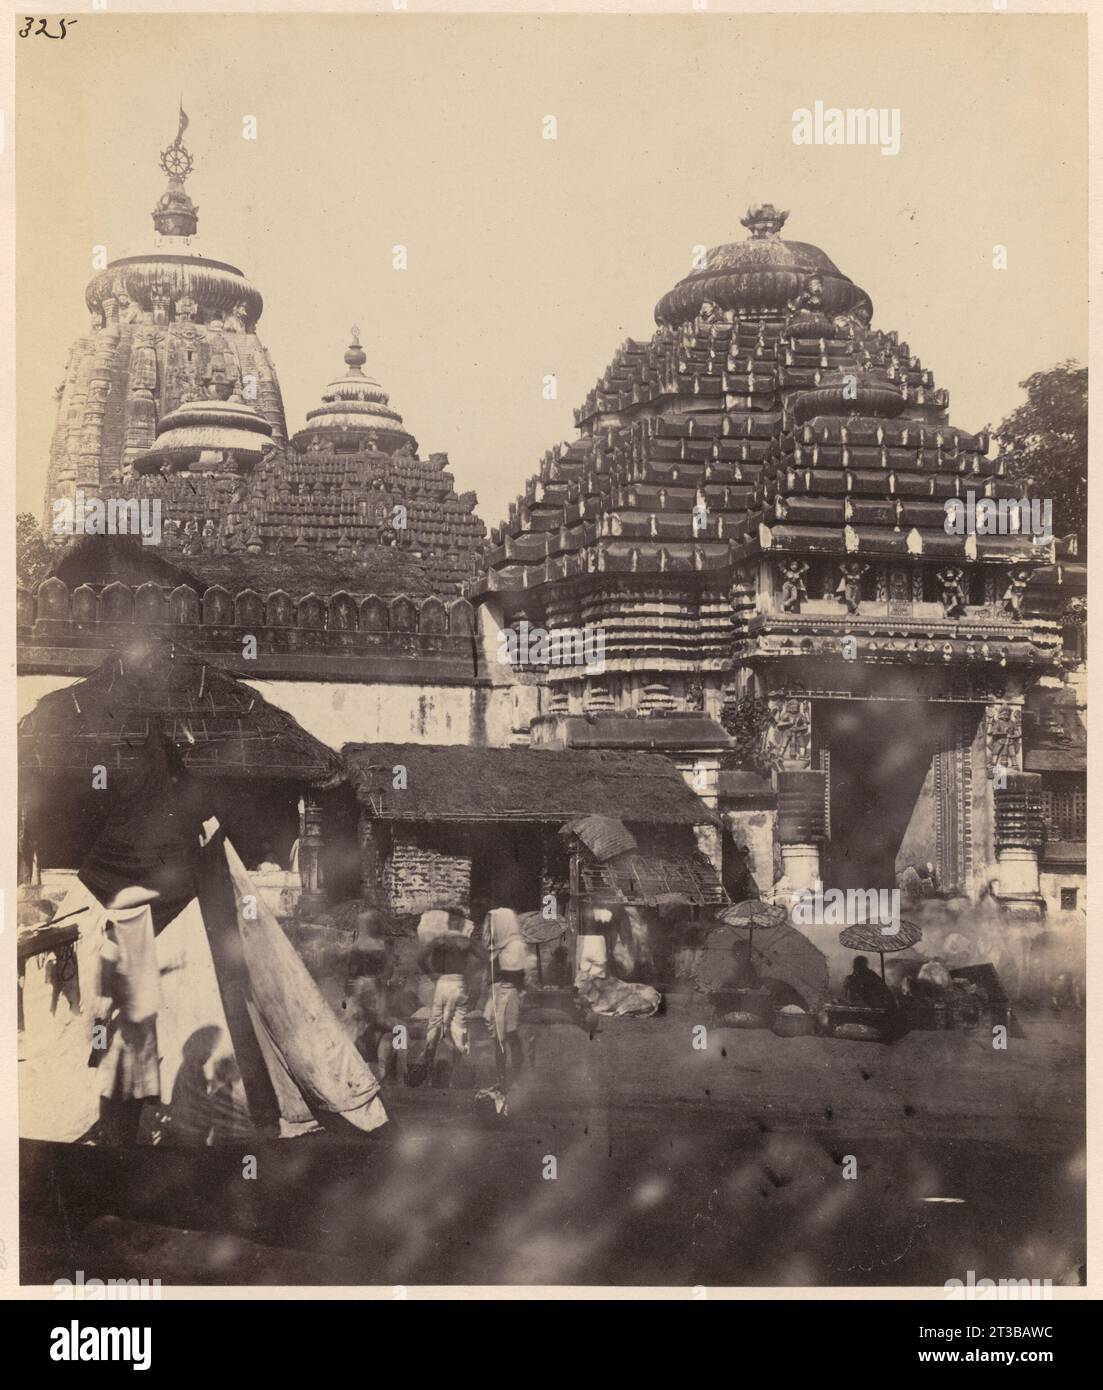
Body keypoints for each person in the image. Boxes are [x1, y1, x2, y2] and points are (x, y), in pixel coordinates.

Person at [414, 908, 486, 1085]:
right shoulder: (464, 941)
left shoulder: (439, 940)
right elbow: (485, 958)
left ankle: (430, 1077)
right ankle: (454, 1076)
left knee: (434, 1027)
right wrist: (469, 973)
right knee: (458, 1027)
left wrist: (432, 975)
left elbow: (420, 958)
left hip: (442, 983)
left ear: (448, 922)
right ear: (461, 923)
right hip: (458, 982)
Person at [484, 906, 527, 1089]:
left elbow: (515, 974)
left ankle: (515, 1077)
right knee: (498, 1039)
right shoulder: (498, 946)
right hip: (496, 992)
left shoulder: (515, 945)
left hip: (508, 992)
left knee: (508, 1035)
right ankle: (501, 1078)